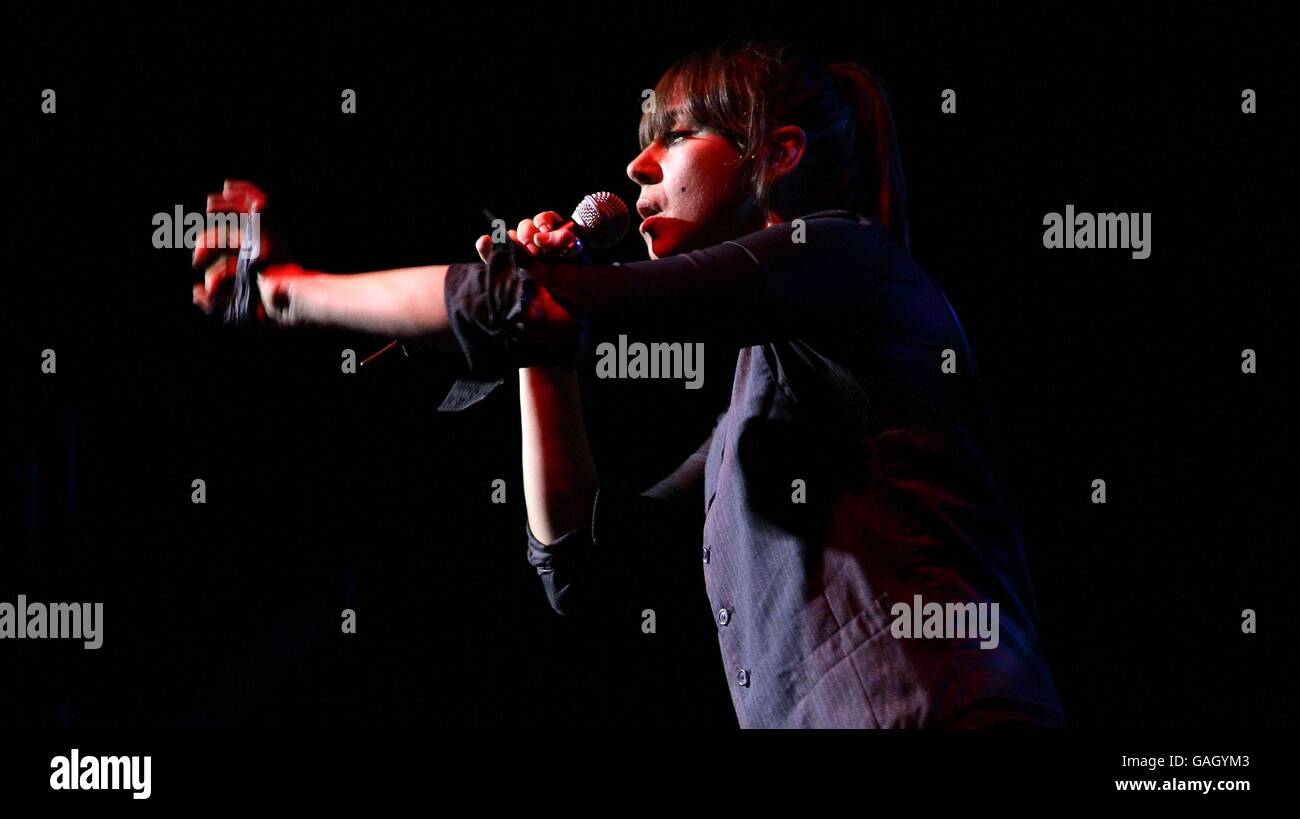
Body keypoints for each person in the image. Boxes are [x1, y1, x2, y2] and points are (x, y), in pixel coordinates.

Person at [193, 40, 1066, 728]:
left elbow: (511, 301)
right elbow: (579, 565)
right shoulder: (753, 406)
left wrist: (280, 292)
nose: (639, 167)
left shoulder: (845, 256)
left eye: (677, 136)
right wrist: (544, 346)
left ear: (780, 154)